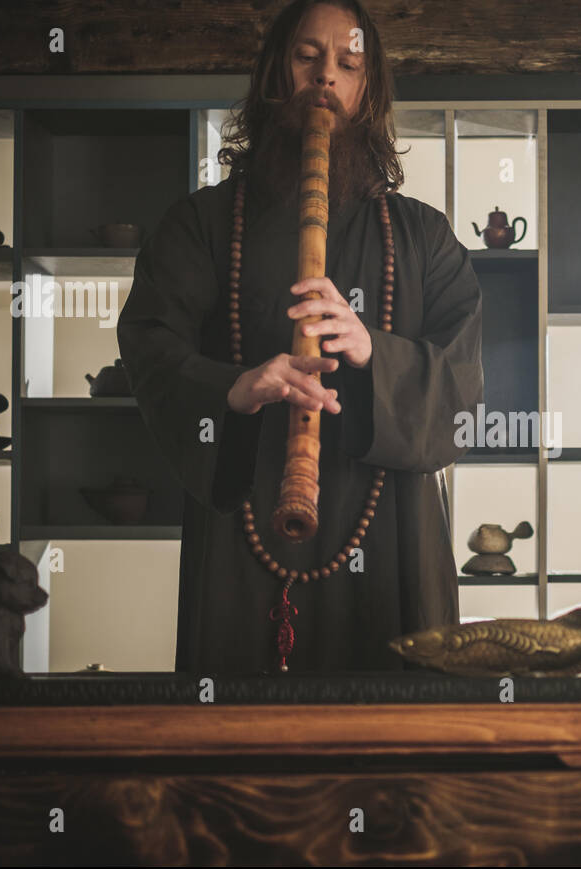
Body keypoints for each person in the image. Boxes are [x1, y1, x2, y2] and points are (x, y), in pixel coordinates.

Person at [117, 0, 483, 674]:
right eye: (306, 56)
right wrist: (235, 386)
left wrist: (373, 350)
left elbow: (461, 389)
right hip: (244, 527)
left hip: (391, 537)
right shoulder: (200, 222)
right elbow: (149, 345)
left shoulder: (424, 236)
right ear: (274, 76)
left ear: (367, 91)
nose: (326, 78)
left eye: (348, 64)